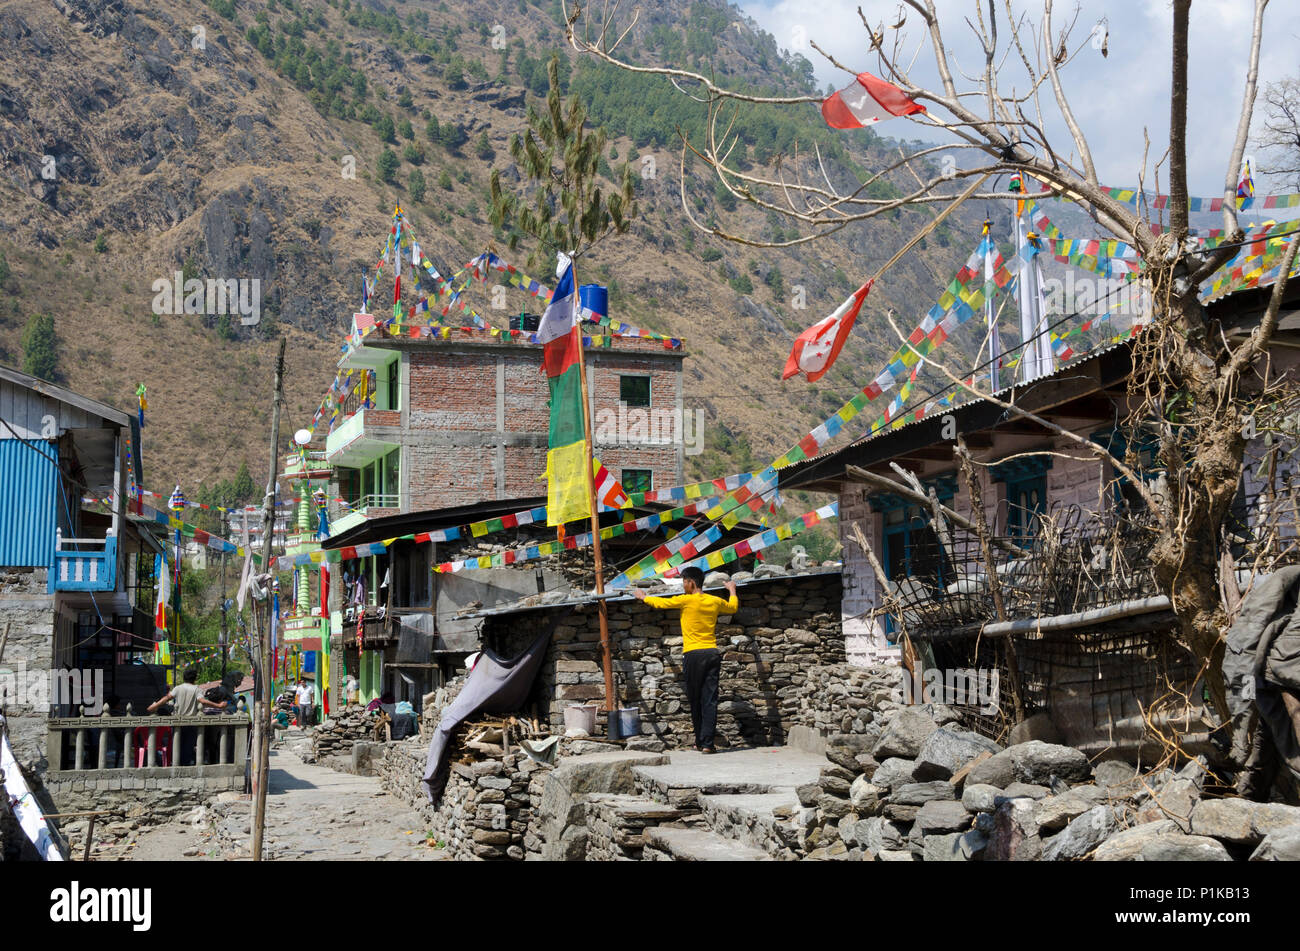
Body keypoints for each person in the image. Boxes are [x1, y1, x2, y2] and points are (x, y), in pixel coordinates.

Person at [633, 568, 738, 754]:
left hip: (693, 655)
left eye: (684, 582)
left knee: (695, 698)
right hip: (712, 653)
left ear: (690, 582)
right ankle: (706, 744)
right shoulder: (714, 601)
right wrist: (732, 590)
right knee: (710, 699)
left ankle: (700, 741)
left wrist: (643, 597)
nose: (683, 585)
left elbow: (662, 603)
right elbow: (733, 607)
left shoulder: (686, 600)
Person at [147, 667, 226, 765]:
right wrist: (218, 705)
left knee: (176, 745)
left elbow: (166, 698)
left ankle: (176, 765)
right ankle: (184, 765)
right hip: (191, 723)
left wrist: (154, 706)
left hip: (177, 722)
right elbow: (202, 701)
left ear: (184, 677)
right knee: (188, 747)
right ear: (195, 678)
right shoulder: (197, 690)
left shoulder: (178, 688)